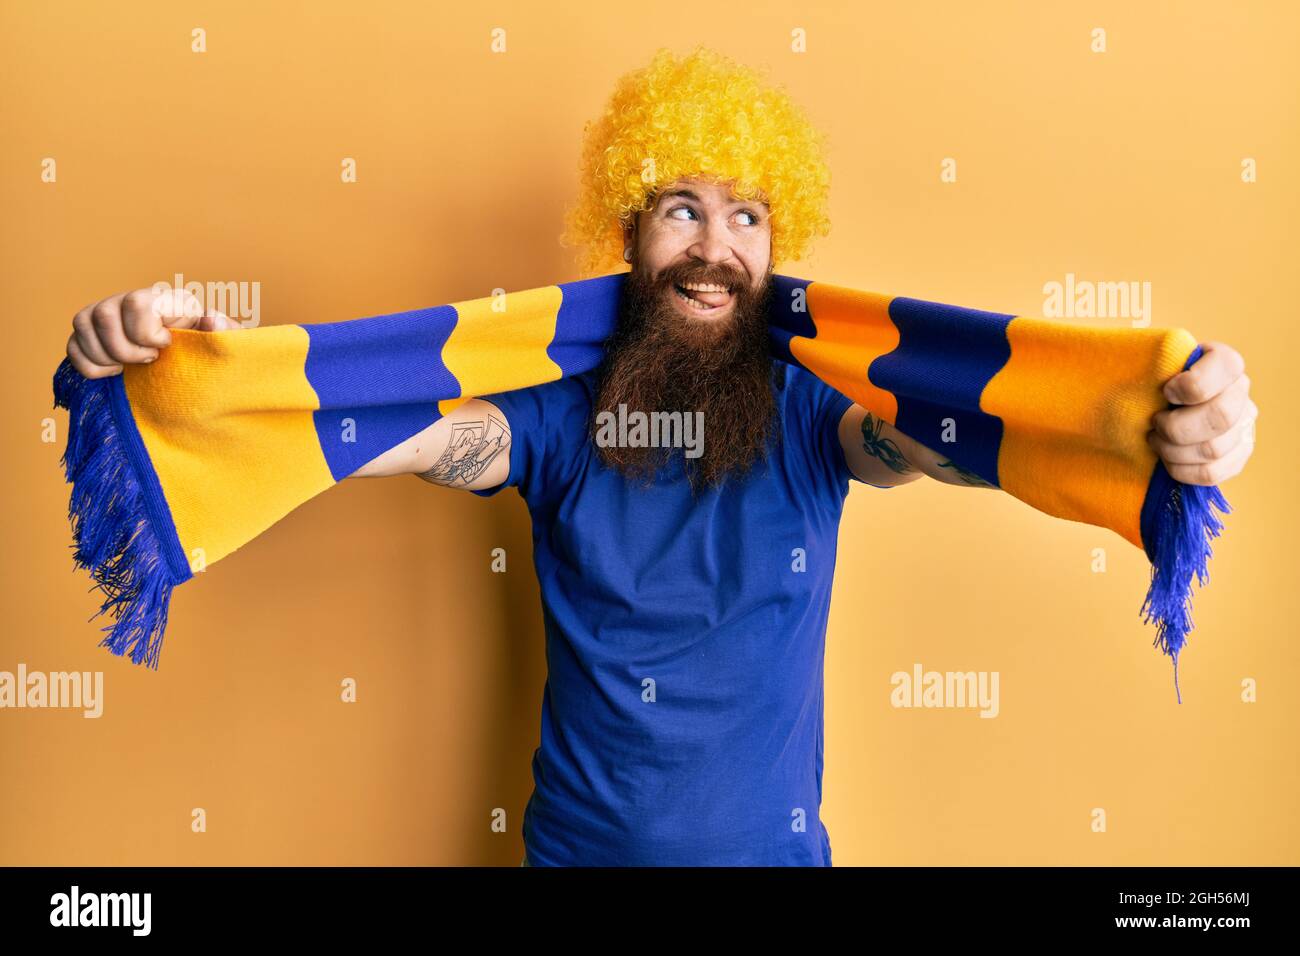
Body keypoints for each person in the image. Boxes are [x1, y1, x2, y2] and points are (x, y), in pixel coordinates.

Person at [64, 48, 1257, 866]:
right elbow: (410, 427)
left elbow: (931, 439)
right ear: (627, 236)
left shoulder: (813, 411)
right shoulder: (552, 415)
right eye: (680, 208)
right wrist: (184, 372)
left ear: (775, 246)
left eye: (746, 215)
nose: (714, 245)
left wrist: (1148, 424)